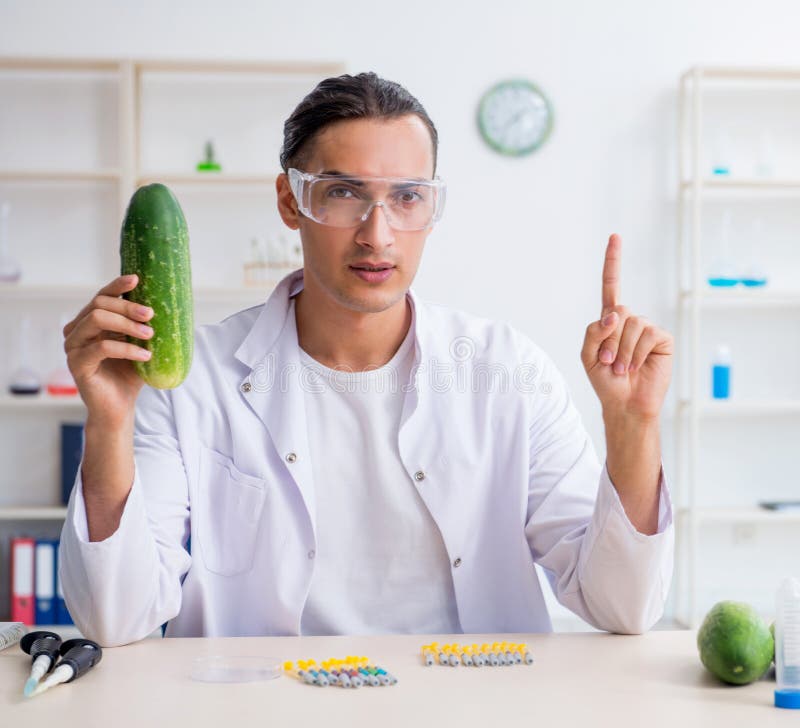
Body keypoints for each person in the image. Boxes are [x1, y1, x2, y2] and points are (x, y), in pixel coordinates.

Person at [59, 72, 674, 646]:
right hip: (265, 709)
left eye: (407, 197)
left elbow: (623, 607)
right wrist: (108, 422)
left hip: (470, 702)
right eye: (344, 192)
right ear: (288, 200)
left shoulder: (509, 372)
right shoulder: (193, 378)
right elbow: (116, 617)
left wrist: (632, 428)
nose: (377, 234)